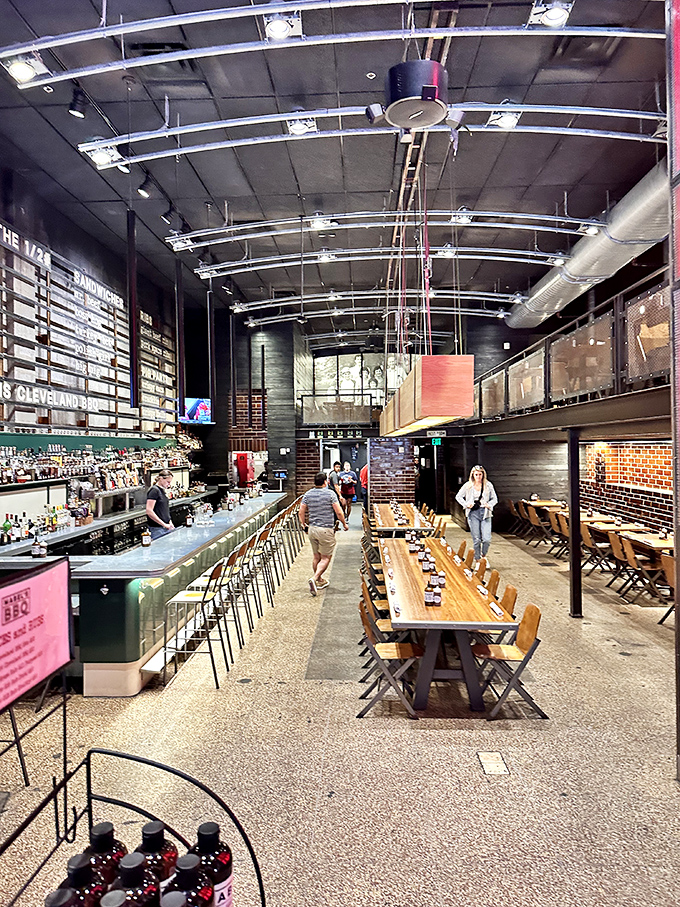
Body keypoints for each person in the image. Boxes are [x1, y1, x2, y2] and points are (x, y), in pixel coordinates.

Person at [299, 473, 348, 595]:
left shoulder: (308, 494)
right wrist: (344, 524)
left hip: (312, 529)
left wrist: (303, 524)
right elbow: (339, 511)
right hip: (325, 529)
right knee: (326, 557)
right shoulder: (330, 494)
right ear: (325, 482)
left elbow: (301, 511)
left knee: (316, 556)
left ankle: (320, 580)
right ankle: (315, 578)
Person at [455, 464, 498, 565]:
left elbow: (495, 498)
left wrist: (489, 504)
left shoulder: (488, 485)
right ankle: (478, 559)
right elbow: (458, 496)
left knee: (487, 538)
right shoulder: (468, 485)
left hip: (485, 513)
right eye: (476, 474)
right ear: (472, 475)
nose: (478, 477)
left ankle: (483, 555)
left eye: (480, 474)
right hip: (473, 513)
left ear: (483, 475)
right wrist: (466, 504)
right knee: (477, 538)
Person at [146, 469, 175, 540]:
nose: (169, 484)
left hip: (165, 527)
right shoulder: (154, 490)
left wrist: (169, 522)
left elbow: (164, 510)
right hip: (157, 528)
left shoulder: (162, 491)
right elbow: (149, 511)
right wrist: (164, 524)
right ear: (161, 479)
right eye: (168, 482)